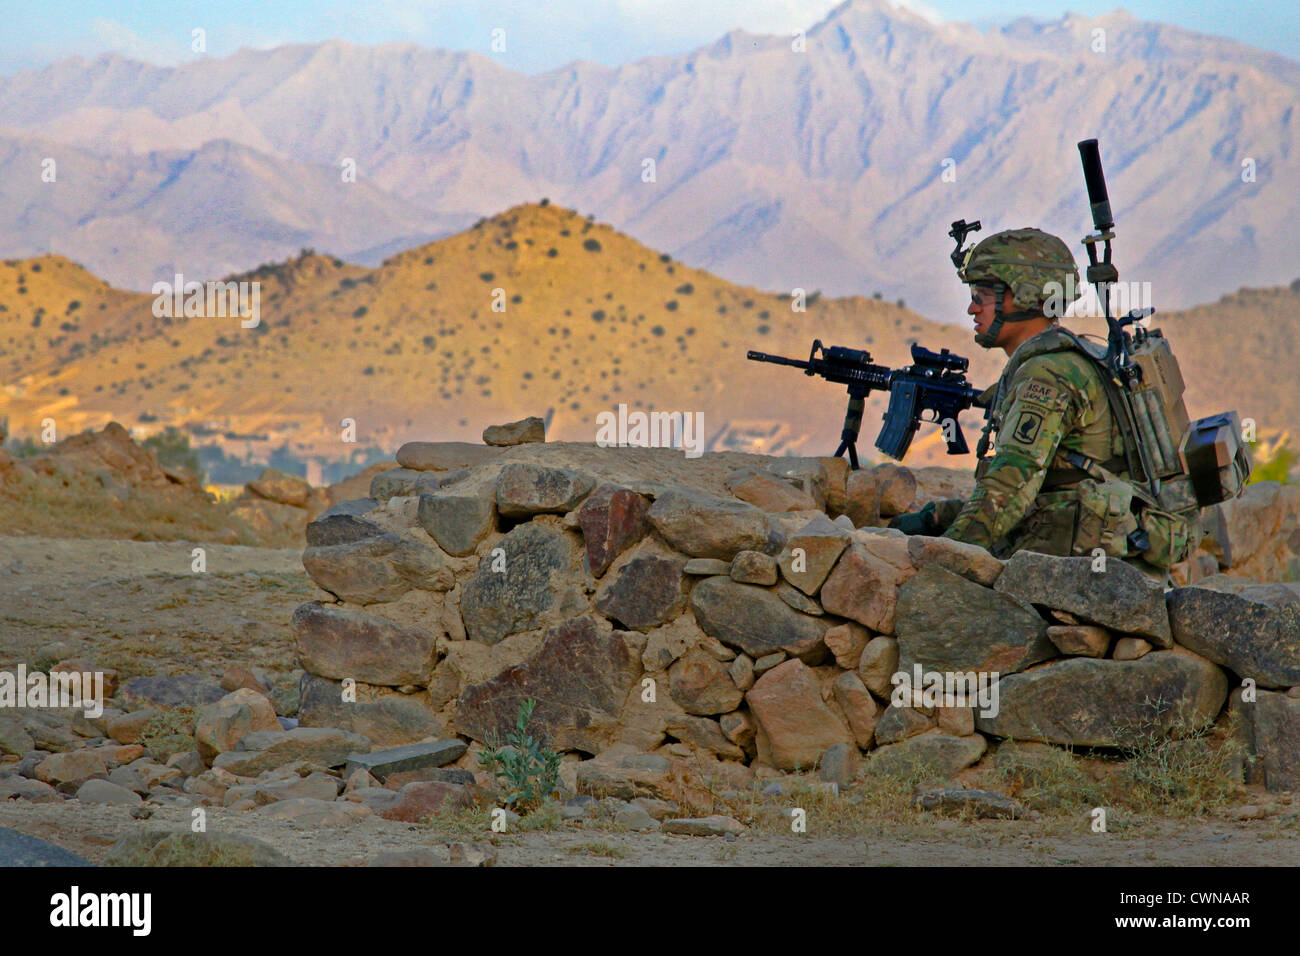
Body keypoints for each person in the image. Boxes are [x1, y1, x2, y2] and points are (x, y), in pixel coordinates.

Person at [888, 227, 1169, 581]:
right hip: (1094, 560)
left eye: (982, 295)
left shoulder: (1047, 374)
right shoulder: (1066, 360)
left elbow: (1008, 492)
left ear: (1023, 297)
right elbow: (1050, 488)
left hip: (1080, 576)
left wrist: (938, 563)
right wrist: (937, 518)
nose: (971, 307)